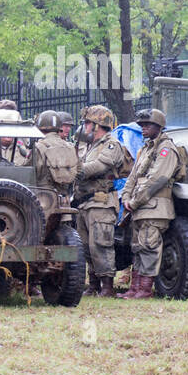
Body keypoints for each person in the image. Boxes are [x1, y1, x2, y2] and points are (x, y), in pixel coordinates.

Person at [118, 108, 178, 300]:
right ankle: (135, 288)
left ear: (158, 127)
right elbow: (133, 177)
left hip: (155, 207)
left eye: (147, 125)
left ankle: (144, 290)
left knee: (149, 247)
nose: (143, 128)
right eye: (142, 125)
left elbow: (157, 180)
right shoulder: (145, 149)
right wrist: (126, 198)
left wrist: (133, 202)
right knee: (137, 247)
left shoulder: (166, 148)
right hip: (140, 208)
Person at [74, 105, 131, 297]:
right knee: (86, 246)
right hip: (85, 202)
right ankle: (93, 285)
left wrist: (76, 171)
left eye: (88, 123)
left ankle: (107, 287)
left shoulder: (111, 144)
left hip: (101, 202)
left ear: (97, 124)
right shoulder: (91, 146)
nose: (85, 126)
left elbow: (100, 166)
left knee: (101, 244)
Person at [29, 110, 79, 197]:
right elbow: (80, 171)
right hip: (65, 201)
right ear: (59, 128)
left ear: (40, 128)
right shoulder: (71, 147)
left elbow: (29, 175)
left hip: (45, 199)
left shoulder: (38, 147)